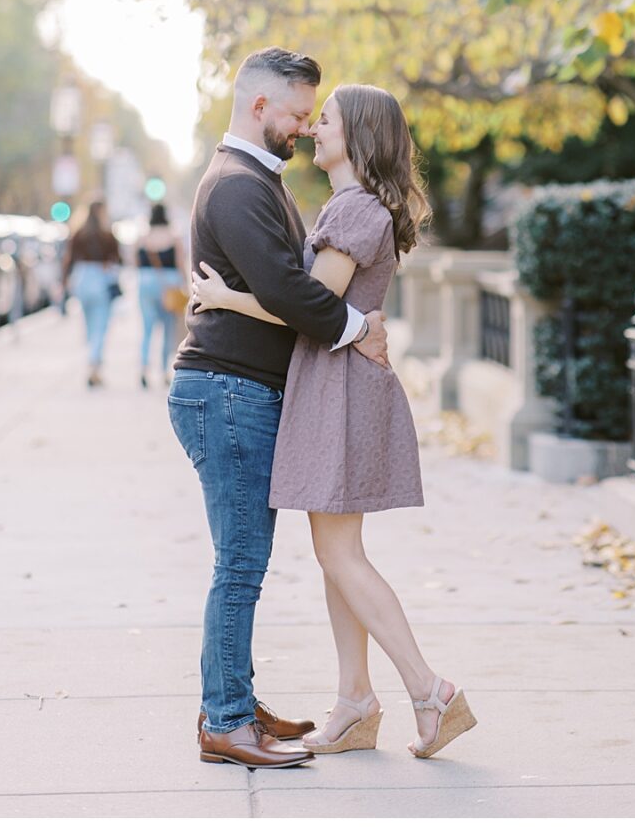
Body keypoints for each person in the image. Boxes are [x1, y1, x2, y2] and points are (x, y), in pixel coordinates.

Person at [190, 81, 477, 761]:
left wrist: (226, 296)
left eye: (328, 120)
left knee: (339, 553)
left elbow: (308, 305)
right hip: (336, 379)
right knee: (336, 556)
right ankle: (354, 704)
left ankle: (429, 691)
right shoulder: (353, 204)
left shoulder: (356, 210)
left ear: (360, 137)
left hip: (341, 386)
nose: (315, 128)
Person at [168, 47, 391, 769]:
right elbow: (298, 297)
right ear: (259, 107)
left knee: (242, 561)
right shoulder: (236, 186)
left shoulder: (255, 180)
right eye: (297, 114)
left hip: (235, 391)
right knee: (240, 564)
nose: (302, 127)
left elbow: (279, 286)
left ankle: (231, 699)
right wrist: (359, 329)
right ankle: (227, 721)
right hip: (227, 391)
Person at [61, 197, 121, 388]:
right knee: (100, 326)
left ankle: (93, 362)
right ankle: (94, 364)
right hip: (100, 279)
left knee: (88, 325)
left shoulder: (79, 233)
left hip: (82, 279)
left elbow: (69, 259)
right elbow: (118, 258)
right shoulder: (107, 234)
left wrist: (64, 282)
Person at [135, 202, 187, 388]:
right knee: (168, 329)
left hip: (146, 282)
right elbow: (181, 263)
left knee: (147, 329)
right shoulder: (174, 237)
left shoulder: (142, 237)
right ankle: (165, 371)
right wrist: (185, 286)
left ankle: (143, 368)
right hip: (169, 285)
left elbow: (135, 263)